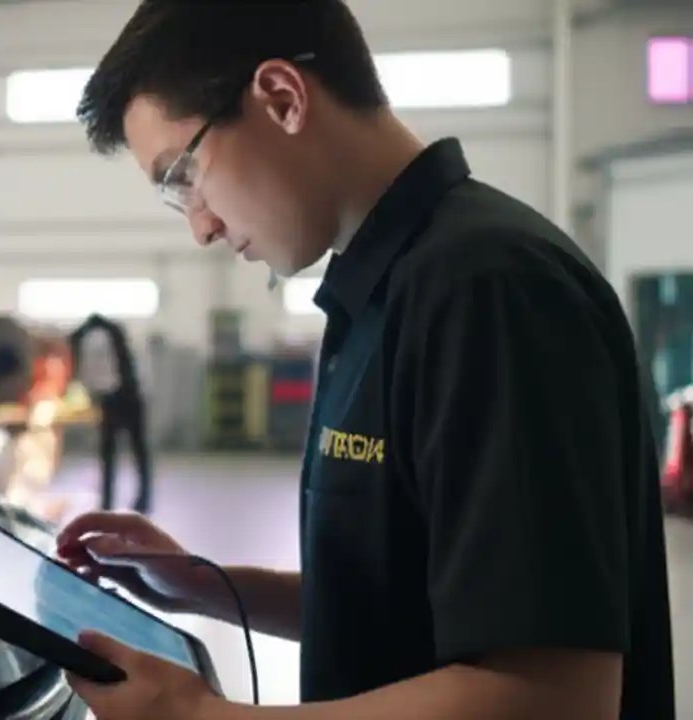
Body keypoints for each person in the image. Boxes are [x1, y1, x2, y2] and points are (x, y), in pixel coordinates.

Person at [55, 2, 676, 720]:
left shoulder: (487, 287)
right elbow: (408, 605)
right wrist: (211, 586)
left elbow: (551, 697)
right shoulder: (378, 294)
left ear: (282, 99)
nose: (200, 226)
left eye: (184, 174)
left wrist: (201, 717)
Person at [70, 313, 153, 513]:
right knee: (137, 451)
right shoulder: (113, 334)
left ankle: (108, 502)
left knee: (110, 453)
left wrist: (92, 393)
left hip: (114, 398)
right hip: (131, 395)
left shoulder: (92, 339)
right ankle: (142, 499)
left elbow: (94, 373)